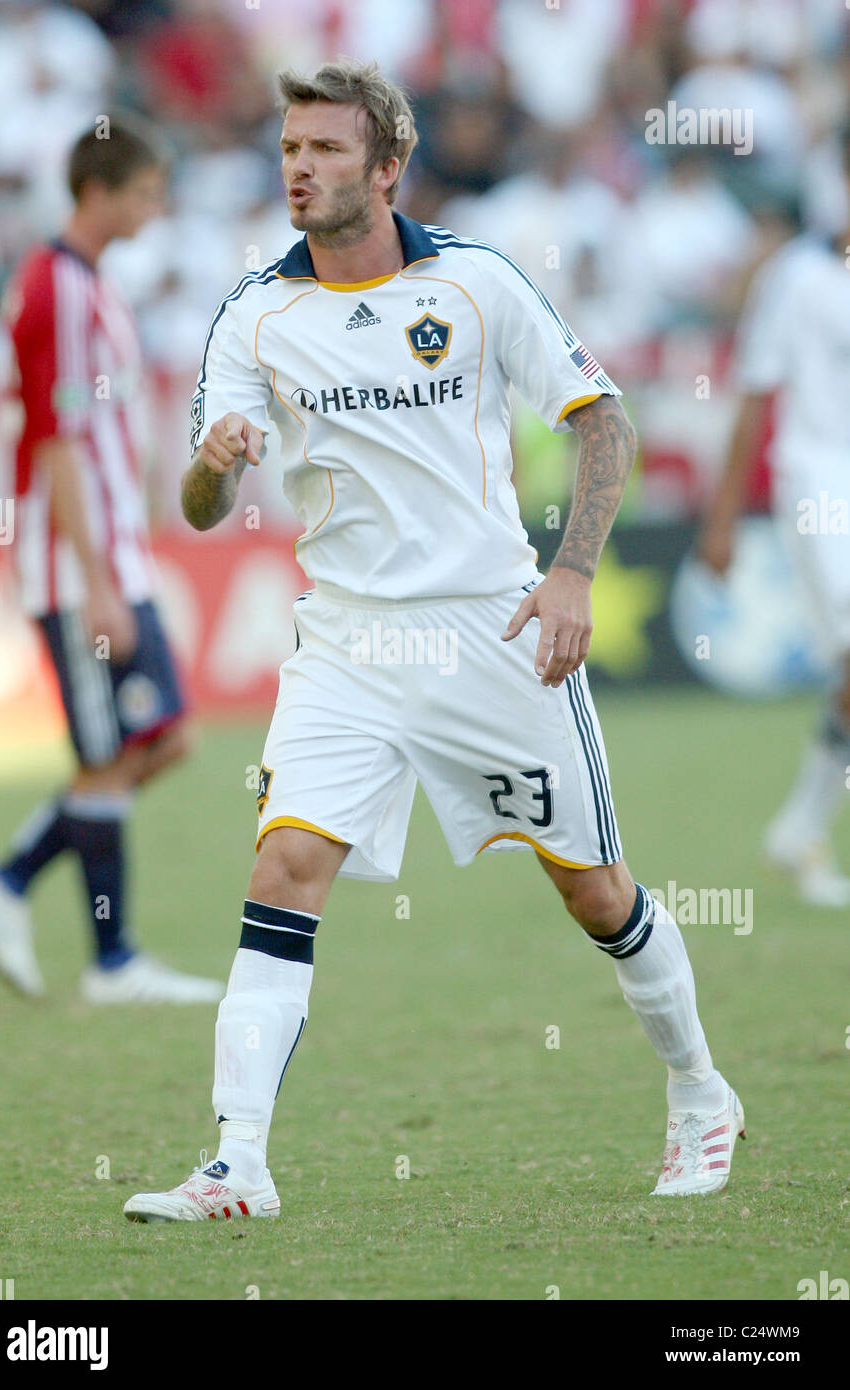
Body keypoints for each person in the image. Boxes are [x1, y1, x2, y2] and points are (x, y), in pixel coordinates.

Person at [125, 60, 742, 1220]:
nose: (298, 169)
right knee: (282, 867)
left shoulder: (473, 284)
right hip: (345, 642)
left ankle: (700, 1091)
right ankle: (236, 1163)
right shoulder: (254, 310)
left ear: (386, 166)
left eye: (323, 150)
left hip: (489, 631)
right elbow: (200, 504)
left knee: (594, 892)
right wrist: (209, 468)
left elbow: (599, 419)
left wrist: (569, 572)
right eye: (288, 150)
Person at [0, 114, 222, 1005]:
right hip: (80, 569)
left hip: (114, 555)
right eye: (147, 191)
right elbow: (59, 441)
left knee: (164, 735)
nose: (157, 207)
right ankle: (113, 960)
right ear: (101, 190)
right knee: (111, 753)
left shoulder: (90, 283)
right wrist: (97, 582)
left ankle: (10, 880)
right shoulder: (57, 286)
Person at [698, 142, 850, 909]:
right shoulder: (795, 276)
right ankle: (801, 828)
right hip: (820, 480)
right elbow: (754, 395)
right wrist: (719, 520)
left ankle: (798, 827)